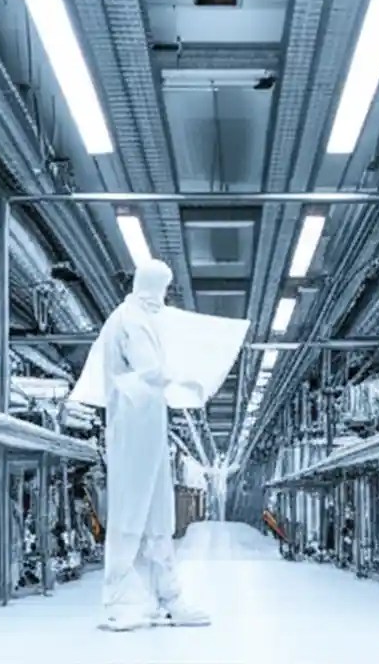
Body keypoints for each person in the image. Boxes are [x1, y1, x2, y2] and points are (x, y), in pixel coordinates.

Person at [97, 258, 211, 632]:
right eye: (161, 290)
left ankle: (168, 595)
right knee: (131, 514)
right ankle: (121, 600)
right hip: (131, 430)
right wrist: (192, 381)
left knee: (159, 513)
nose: (163, 299)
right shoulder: (130, 318)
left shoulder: (143, 317)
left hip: (149, 429)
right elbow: (149, 369)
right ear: (148, 287)